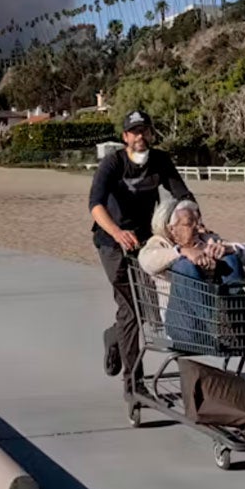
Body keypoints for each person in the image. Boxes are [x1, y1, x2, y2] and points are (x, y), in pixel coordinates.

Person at [89, 110, 196, 398]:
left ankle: (114, 336)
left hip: (146, 242)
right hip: (111, 243)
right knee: (131, 310)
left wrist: (191, 219)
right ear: (125, 137)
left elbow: (182, 194)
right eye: (134, 132)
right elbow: (95, 205)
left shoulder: (160, 160)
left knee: (147, 309)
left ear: (151, 134)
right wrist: (116, 233)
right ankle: (133, 386)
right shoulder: (113, 164)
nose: (140, 137)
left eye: (144, 131)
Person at [139, 198, 245, 348]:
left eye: (197, 223)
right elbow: (146, 261)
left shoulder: (207, 241)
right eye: (189, 224)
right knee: (184, 267)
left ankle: (239, 320)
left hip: (220, 319)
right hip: (184, 324)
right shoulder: (160, 244)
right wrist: (182, 252)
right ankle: (218, 327)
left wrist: (231, 249)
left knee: (230, 259)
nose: (196, 228)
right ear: (172, 229)